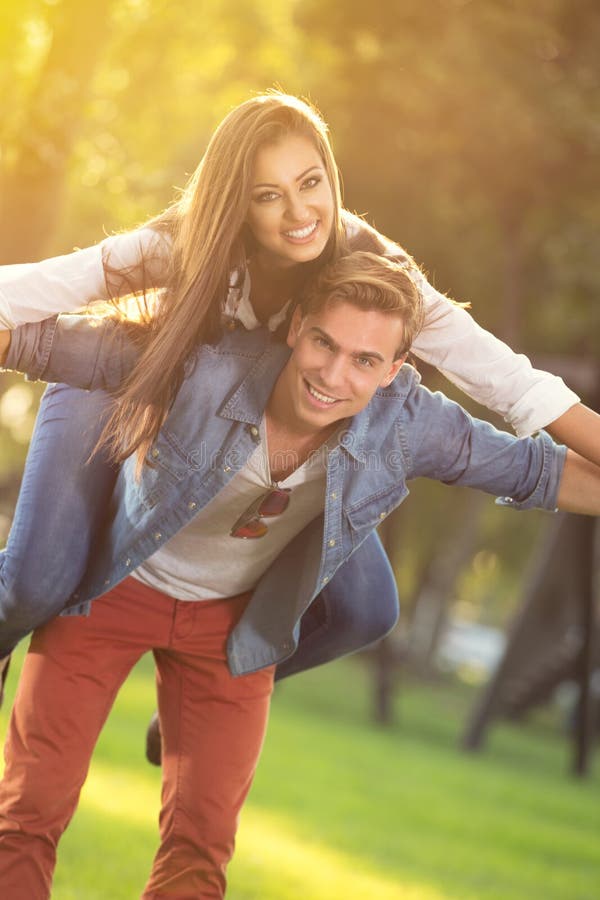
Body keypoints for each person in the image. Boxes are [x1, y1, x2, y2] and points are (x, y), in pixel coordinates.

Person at [0, 90, 599, 750]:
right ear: (238, 202)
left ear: (330, 177)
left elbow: (513, 383)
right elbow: (34, 291)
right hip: (122, 380)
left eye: (309, 183)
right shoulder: (185, 243)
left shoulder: (374, 272)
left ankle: (201, 700)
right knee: (37, 582)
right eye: (268, 195)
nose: (297, 212)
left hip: (256, 447)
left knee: (366, 609)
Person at [1, 250, 600, 898]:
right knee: (30, 813)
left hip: (232, 633)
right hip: (113, 593)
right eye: (324, 343)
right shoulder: (205, 363)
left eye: (365, 361)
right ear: (296, 328)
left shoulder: (408, 422)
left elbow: (539, 470)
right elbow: (51, 345)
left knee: (199, 852)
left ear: (395, 371)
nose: (333, 375)